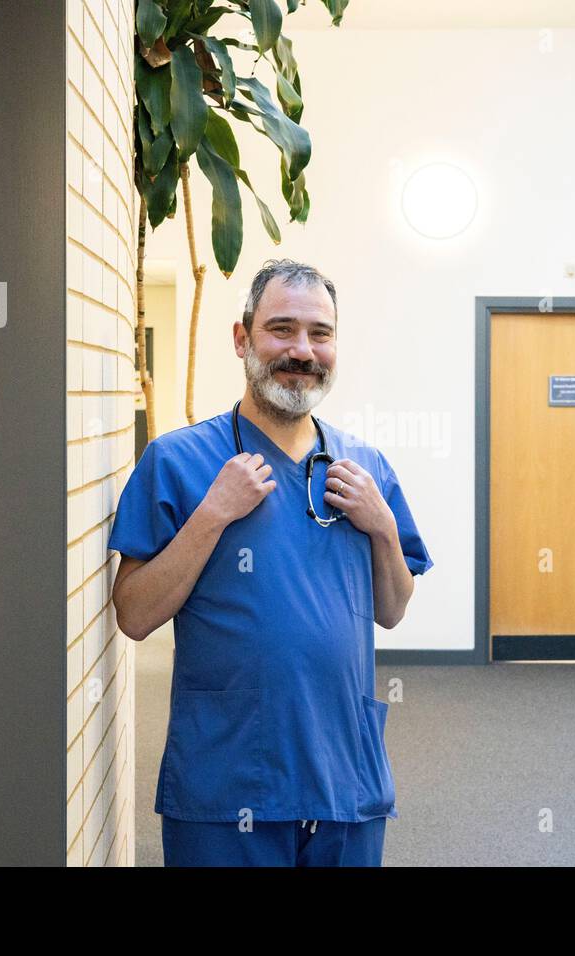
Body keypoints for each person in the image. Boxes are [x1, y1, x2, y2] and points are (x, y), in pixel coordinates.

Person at [108, 259, 433, 867]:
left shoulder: (364, 467)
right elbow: (134, 614)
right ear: (242, 338)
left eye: (320, 333)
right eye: (282, 329)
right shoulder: (177, 461)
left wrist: (384, 528)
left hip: (344, 777)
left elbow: (392, 609)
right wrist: (212, 514)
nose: (302, 350)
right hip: (229, 780)